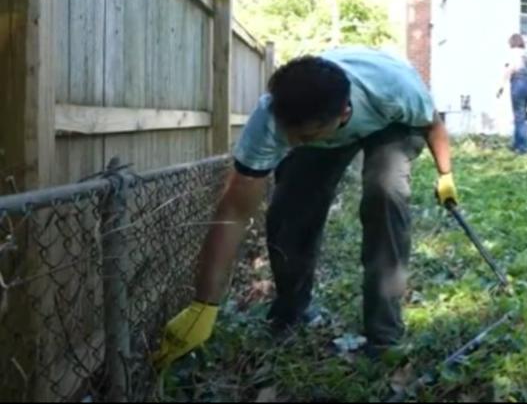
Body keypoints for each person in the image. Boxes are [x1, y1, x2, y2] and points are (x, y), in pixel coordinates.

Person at [152, 47, 456, 370]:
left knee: (385, 196)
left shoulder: (396, 91)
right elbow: (234, 212)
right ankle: (291, 311)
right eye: (288, 134)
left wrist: (446, 175)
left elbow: (432, 123)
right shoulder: (273, 118)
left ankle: (384, 336)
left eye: (303, 135)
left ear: (343, 114)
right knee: (290, 211)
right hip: (328, 120)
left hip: (390, 123)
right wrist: (204, 305)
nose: (291, 141)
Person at [497, 33, 527, 154]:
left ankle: (524, 148)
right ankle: (516, 145)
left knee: (519, 117)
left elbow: (510, 69)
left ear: (512, 43)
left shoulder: (513, 52)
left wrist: (501, 86)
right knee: (520, 115)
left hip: (519, 83)